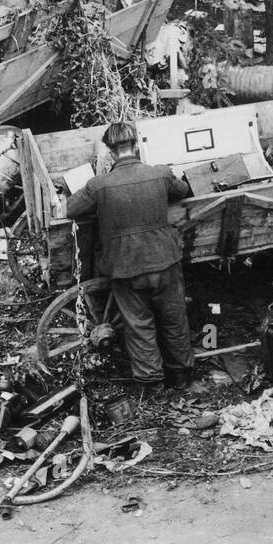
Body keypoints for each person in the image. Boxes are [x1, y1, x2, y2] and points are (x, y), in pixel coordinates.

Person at [66, 121, 198, 395]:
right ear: (136, 144)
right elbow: (183, 191)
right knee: (174, 318)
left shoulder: (98, 184)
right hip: (164, 259)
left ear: (109, 151)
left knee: (139, 325)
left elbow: (72, 209)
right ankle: (182, 377)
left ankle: (152, 385)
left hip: (125, 266)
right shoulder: (159, 174)